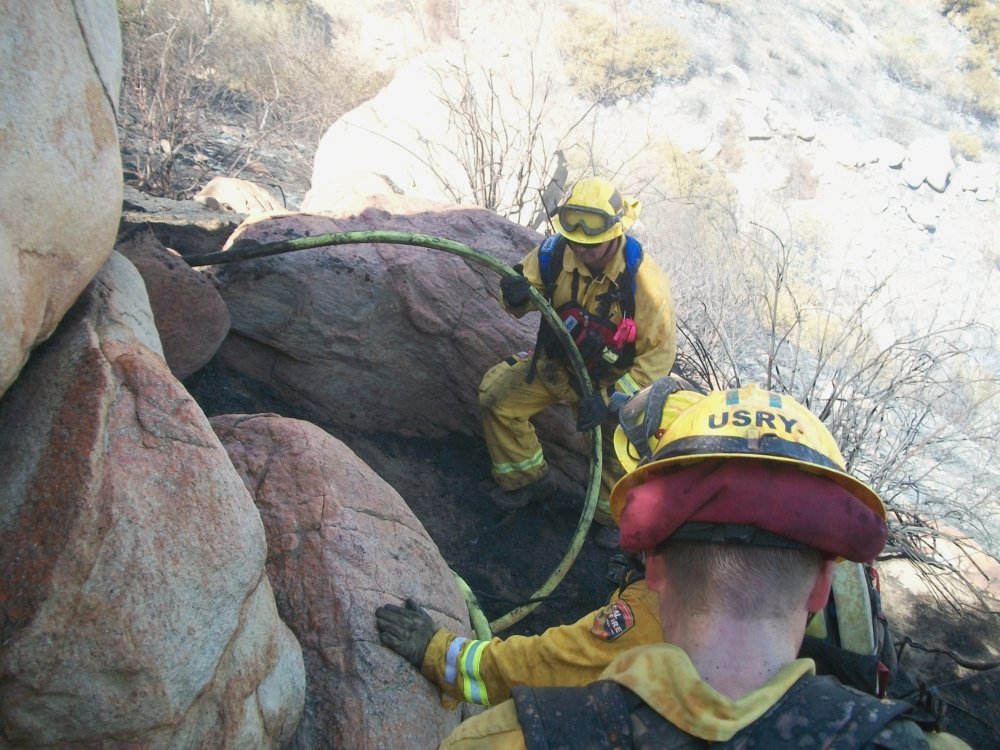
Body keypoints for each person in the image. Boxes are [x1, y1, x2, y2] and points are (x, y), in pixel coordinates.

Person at [436, 385, 972, 749]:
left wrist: (440, 652)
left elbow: (551, 660)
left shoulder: (501, 740)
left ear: (656, 566)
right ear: (822, 587)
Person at [479, 176, 677, 549]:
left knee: (618, 450)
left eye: (592, 245)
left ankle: (608, 517)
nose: (582, 252)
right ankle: (529, 480)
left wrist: (612, 401)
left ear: (616, 234)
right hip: (556, 366)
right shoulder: (553, 254)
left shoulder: (646, 286)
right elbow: (522, 297)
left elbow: (657, 360)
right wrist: (515, 294)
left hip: (609, 381)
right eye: (577, 243)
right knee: (498, 399)